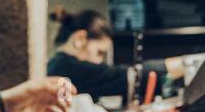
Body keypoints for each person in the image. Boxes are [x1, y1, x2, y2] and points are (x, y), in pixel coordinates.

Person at [47, 7, 185, 105]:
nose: (100, 61)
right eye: (99, 52)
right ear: (80, 38)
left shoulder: (57, 64)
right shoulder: (67, 68)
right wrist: (187, 64)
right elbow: (126, 76)